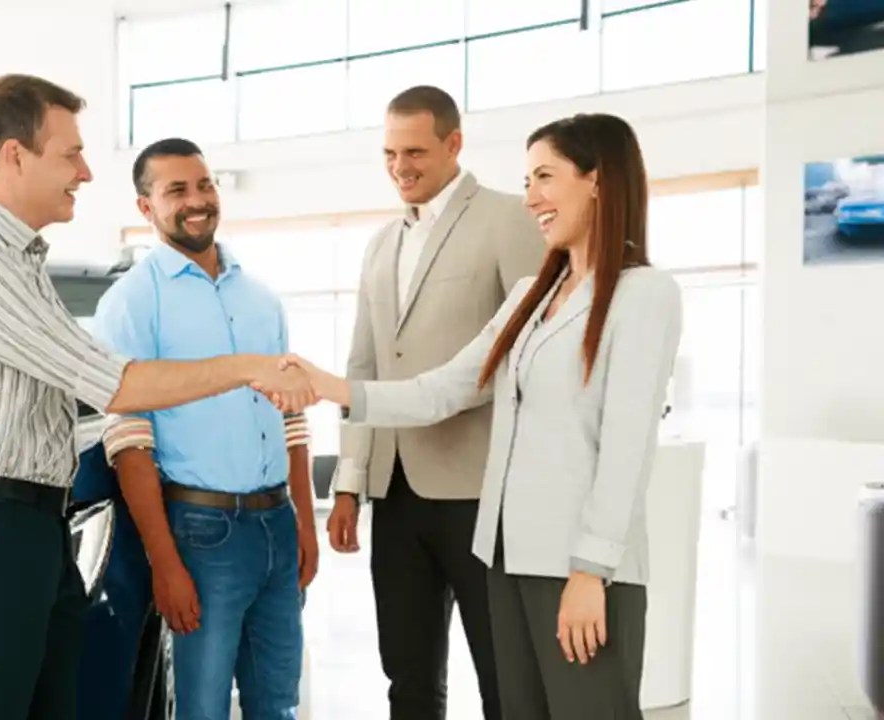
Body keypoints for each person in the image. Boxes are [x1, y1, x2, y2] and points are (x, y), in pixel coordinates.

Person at [0, 74, 315, 720]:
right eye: (70, 153)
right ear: (15, 155)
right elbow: (116, 385)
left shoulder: (20, 261)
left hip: (35, 524)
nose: (86, 172)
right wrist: (248, 369)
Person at [273, 112, 683, 720]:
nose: (531, 198)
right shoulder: (530, 297)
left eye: (545, 176)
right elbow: (441, 391)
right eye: (527, 181)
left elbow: (626, 446)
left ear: (598, 179)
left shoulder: (644, 294)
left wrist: (591, 572)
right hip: (507, 559)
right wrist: (330, 386)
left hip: (579, 567)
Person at [324, 85, 543, 719]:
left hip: (480, 490)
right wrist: (349, 482)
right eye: (389, 154)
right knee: (408, 676)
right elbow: (363, 365)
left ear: (454, 143)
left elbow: (527, 354)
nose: (400, 167)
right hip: (394, 495)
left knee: (504, 676)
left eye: (415, 152)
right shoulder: (379, 244)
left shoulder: (509, 219)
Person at [90, 137, 317, 720]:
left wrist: (304, 521)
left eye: (205, 184)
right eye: (177, 190)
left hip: (277, 521)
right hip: (202, 533)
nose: (197, 200)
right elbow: (128, 441)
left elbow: (290, 415)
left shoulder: (261, 297)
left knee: (279, 704)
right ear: (146, 207)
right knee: (203, 709)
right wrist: (164, 563)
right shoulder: (132, 302)